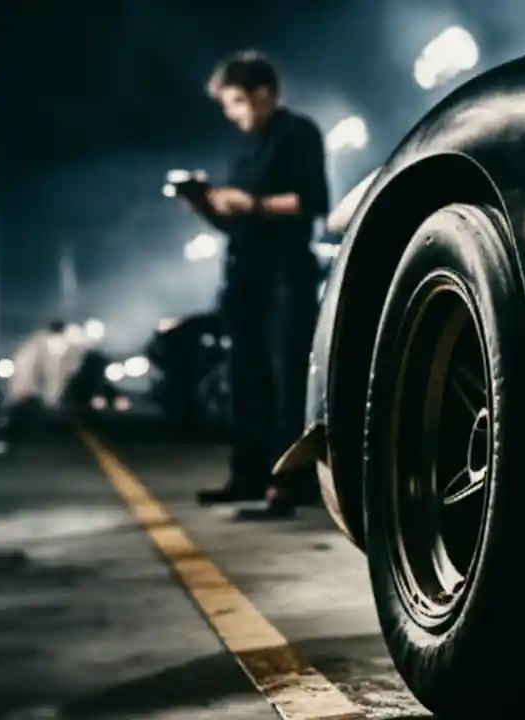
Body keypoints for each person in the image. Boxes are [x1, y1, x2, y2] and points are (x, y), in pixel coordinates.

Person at [186, 50, 328, 519]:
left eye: (237, 102)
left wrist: (253, 204)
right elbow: (235, 222)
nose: (232, 113)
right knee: (245, 377)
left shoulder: (297, 133)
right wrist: (205, 204)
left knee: (286, 376)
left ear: (263, 93)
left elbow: (310, 202)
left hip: (286, 274)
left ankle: (289, 483)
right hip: (244, 274)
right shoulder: (243, 146)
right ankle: (247, 475)